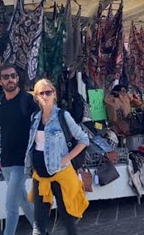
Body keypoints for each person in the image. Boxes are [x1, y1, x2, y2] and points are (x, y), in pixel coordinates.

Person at [27, 77, 89, 235]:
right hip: (40, 176)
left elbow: (83, 139)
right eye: (41, 93)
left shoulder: (63, 116)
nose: (45, 96)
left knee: (67, 219)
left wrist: (66, 159)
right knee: (38, 223)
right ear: (36, 97)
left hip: (60, 174)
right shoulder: (34, 118)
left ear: (55, 94)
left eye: (48, 92)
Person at [0, 63, 38, 235]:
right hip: (6, 160)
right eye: (6, 77)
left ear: (18, 78)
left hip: (22, 161)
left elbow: (39, 128)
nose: (10, 79)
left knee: (10, 205)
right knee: (23, 202)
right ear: (0, 81)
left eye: (13, 75)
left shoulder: (28, 100)